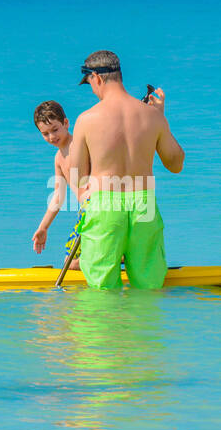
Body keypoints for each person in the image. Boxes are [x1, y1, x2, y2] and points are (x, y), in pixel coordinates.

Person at [67, 51, 185, 289]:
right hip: (144, 204)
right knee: (149, 286)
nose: (92, 90)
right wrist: (161, 119)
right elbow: (176, 164)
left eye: (89, 83)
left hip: (105, 206)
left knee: (101, 291)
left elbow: (78, 176)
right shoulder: (153, 116)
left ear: (96, 78)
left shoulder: (86, 119)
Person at [30, 100, 86, 270]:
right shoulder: (58, 159)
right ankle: (110, 256)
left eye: (55, 129)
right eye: (45, 133)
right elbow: (58, 197)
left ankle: (109, 257)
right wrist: (43, 227)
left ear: (66, 123)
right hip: (85, 212)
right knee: (71, 263)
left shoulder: (80, 144)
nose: (52, 137)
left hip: (97, 208)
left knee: (70, 264)